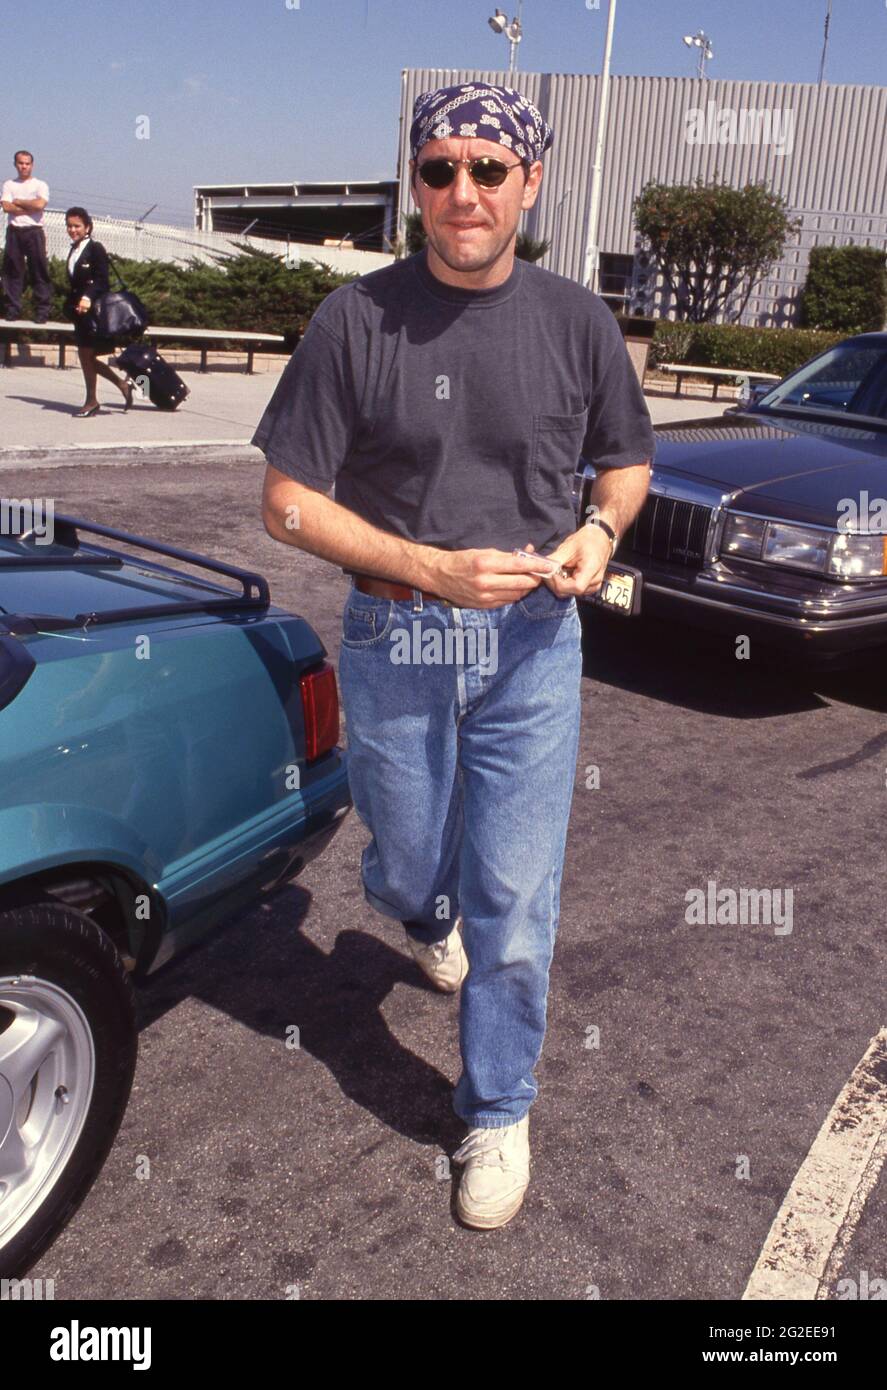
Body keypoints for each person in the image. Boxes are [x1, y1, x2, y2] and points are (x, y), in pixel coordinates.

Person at [254, 82, 654, 1230]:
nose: (461, 191)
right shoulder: (354, 320)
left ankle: (497, 1105)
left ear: (530, 182)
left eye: (488, 169)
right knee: (407, 856)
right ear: (415, 185)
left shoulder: (576, 322)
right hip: (395, 636)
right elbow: (285, 505)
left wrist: (595, 530)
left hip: (531, 646)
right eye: (439, 169)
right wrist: (427, 570)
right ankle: (423, 919)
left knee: (515, 896)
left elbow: (622, 464)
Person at [63, 206, 132, 417]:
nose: (72, 230)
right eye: (69, 226)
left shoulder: (95, 248)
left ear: (87, 227)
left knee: (87, 356)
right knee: (87, 357)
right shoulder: (74, 249)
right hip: (80, 313)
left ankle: (92, 401)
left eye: (77, 226)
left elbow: (103, 280)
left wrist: (87, 297)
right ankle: (122, 385)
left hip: (93, 312)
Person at [1, 150, 52, 322]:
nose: (24, 166)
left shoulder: (40, 185)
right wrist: (28, 207)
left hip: (34, 232)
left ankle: (42, 311)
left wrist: (19, 201)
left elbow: (40, 205)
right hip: (14, 232)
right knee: (12, 271)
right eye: (21, 163)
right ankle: (13, 309)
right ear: (15, 164)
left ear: (32, 165)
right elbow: (7, 207)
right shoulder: (9, 185)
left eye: (27, 163)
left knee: (38, 270)